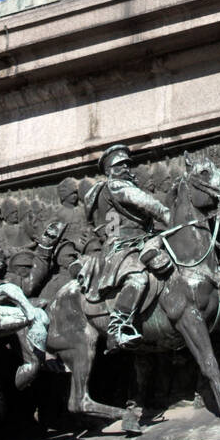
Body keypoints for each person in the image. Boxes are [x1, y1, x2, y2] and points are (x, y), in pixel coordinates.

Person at [80, 143, 172, 350]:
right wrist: (170, 217)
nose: (126, 169)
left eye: (127, 165)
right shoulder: (116, 186)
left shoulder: (111, 188)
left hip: (134, 242)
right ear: (110, 170)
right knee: (138, 279)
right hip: (122, 246)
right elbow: (150, 204)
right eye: (121, 165)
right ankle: (117, 327)